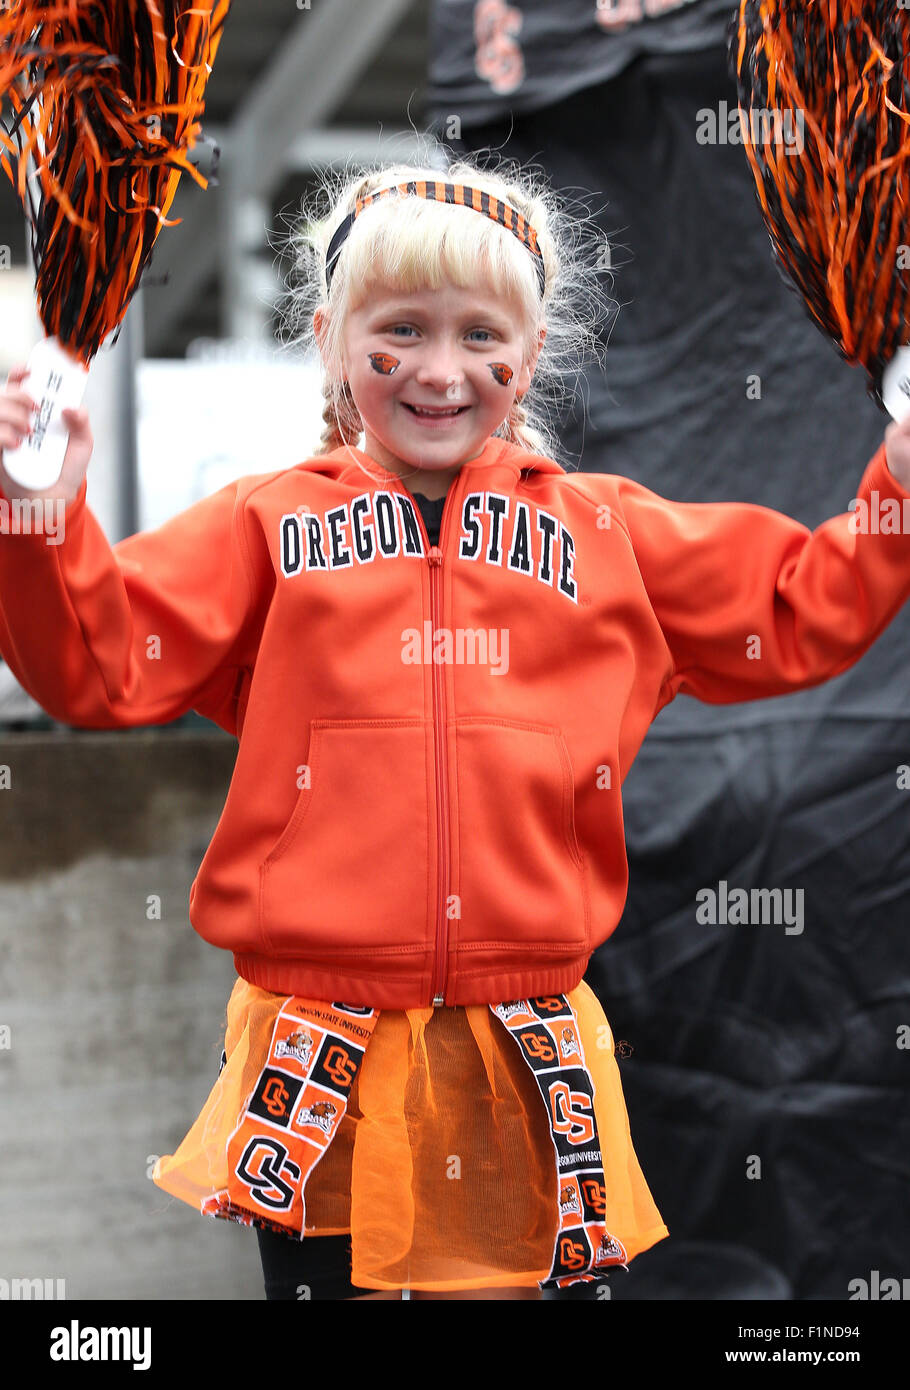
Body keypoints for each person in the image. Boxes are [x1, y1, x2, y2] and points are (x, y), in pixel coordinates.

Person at [3, 153, 910, 1302]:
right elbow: (97, 665)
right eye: (401, 330)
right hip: (319, 1055)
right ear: (331, 336)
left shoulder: (607, 536)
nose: (441, 370)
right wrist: (40, 509)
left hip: (529, 1059)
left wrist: (895, 485)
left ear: (530, 353)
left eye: (482, 334)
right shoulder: (262, 527)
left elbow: (798, 609)